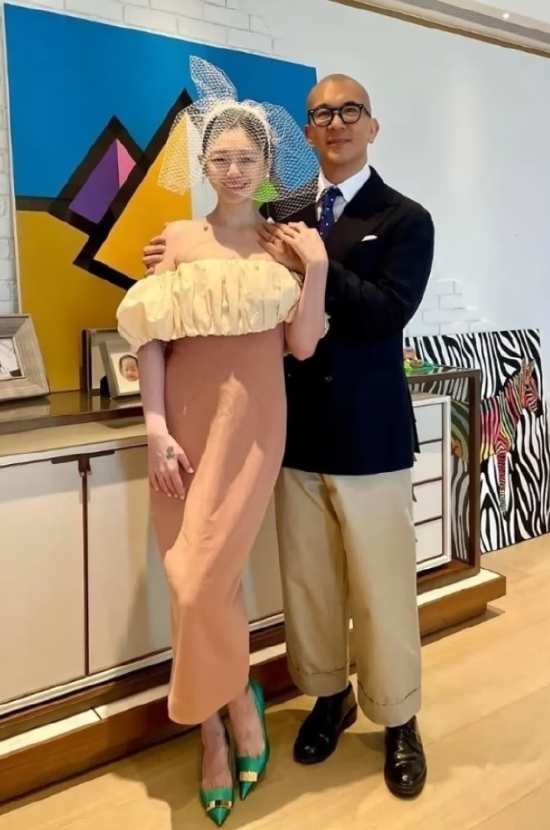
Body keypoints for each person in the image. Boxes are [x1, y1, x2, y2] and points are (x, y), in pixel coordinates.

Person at [143, 73, 435, 799]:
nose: (336, 123)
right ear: (305, 134)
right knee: (308, 583)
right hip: (290, 432)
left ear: (372, 126)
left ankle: (398, 717)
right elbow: (216, 280)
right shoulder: (277, 217)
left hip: (366, 432)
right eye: (321, 114)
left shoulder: (404, 218)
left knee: (382, 586)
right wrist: (176, 263)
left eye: (350, 111)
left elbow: (386, 314)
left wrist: (317, 265)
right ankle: (327, 697)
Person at [117, 57, 327, 826]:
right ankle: (224, 714)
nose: (233, 171)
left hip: (255, 427)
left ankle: (228, 709)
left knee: (208, 580)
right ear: (203, 166)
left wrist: (317, 267)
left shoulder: (284, 245)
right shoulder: (174, 240)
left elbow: (301, 345)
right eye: (220, 159)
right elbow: (153, 340)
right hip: (183, 427)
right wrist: (155, 428)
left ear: (268, 167)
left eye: (247, 159)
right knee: (192, 583)